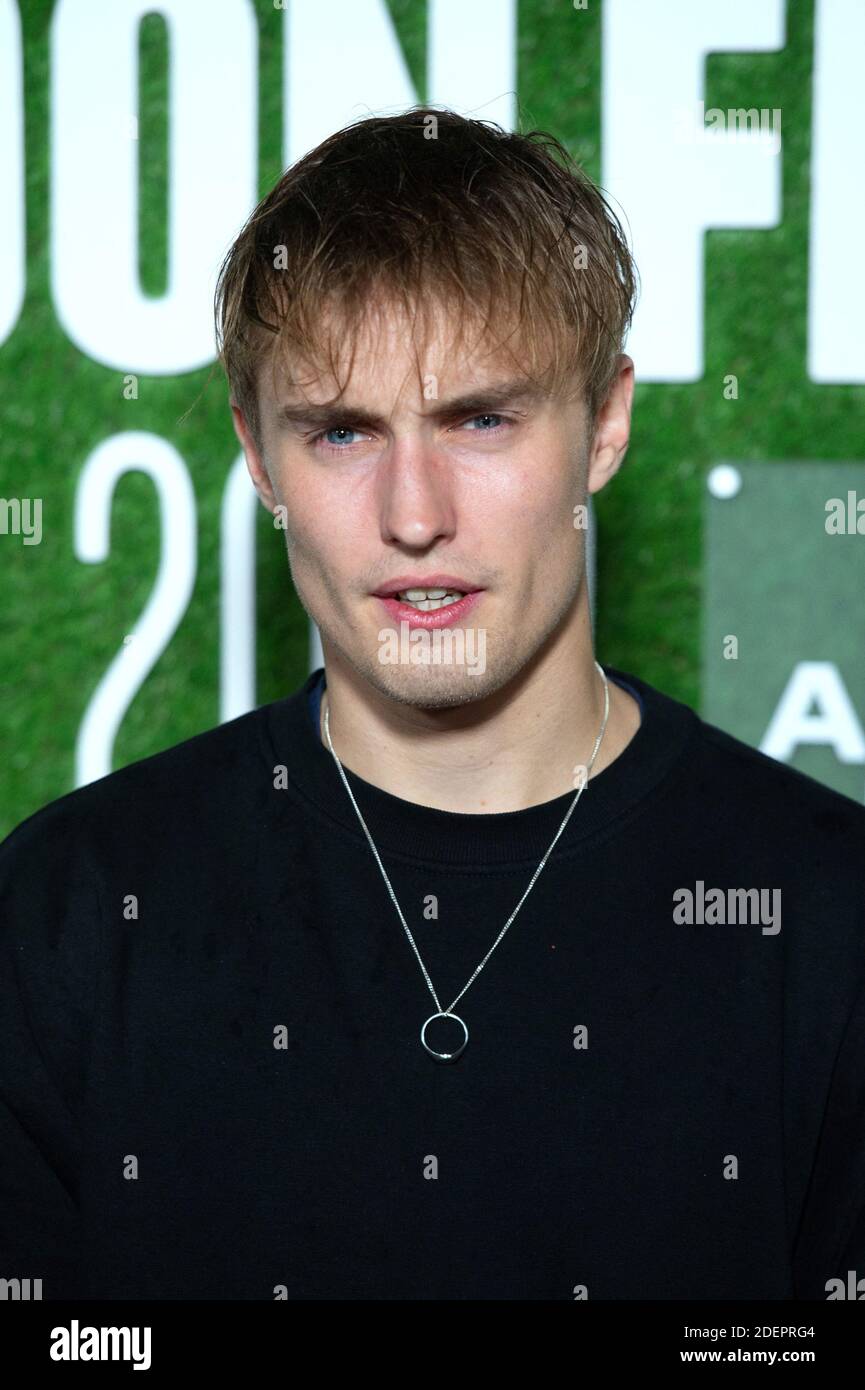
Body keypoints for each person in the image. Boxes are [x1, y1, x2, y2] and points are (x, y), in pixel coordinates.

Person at [1, 106, 863, 1302]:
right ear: (258, 454)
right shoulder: (65, 915)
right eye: (344, 431)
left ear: (604, 422)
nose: (415, 514)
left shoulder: (827, 918)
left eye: (480, 418)